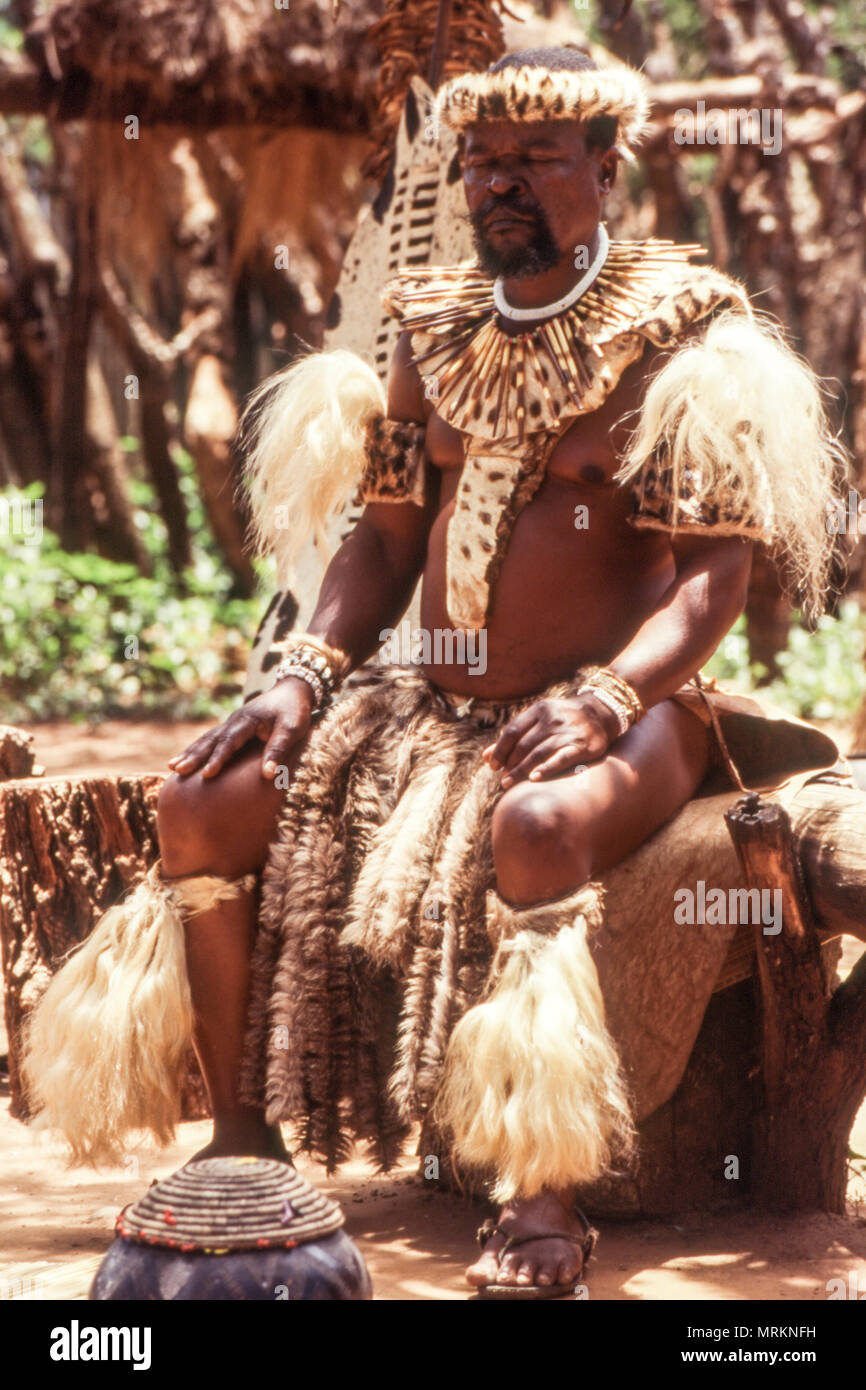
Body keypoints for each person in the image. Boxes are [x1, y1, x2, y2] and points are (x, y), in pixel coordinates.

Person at [24, 47, 845, 1299]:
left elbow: (707, 583)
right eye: (479, 161)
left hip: (636, 707)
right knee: (206, 804)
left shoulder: (687, 337)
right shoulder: (431, 328)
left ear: (604, 168)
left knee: (536, 825)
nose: (495, 182)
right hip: (437, 701)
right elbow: (386, 539)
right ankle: (244, 1144)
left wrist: (604, 695)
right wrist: (301, 673)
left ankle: (540, 1190)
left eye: (530, 157)